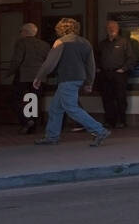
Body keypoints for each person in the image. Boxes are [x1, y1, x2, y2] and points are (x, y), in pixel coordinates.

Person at [32, 18, 110, 148]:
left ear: (60, 29)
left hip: (67, 78)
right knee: (55, 108)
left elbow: (50, 63)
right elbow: (90, 64)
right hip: (79, 78)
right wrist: (89, 82)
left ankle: (99, 130)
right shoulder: (85, 43)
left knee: (71, 108)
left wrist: (39, 77)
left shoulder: (60, 42)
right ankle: (52, 136)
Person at [6, 22, 50, 133]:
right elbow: (48, 61)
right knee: (33, 101)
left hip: (23, 76)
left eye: (21, 31)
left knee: (15, 99)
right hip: (39, 77)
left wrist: (9, 72)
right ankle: (32, 126)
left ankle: (26, 120)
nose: (20, 33)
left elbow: (17, 60)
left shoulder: (21, 43)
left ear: (25, 32)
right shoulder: (44, 44)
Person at [97, 20, 138, 129]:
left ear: (118, 29)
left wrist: (124, 69)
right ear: (106, 29)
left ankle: (122, 121)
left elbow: (132, 58)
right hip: (105, 74)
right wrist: (98, 69)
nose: (111, 29)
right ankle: (109, 121)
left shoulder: (124, 42)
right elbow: (97, 58)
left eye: (114, 27)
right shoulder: (102, 44)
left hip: (119, 74)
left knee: (120, 98)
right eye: (109, 27)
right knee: (107, 99)